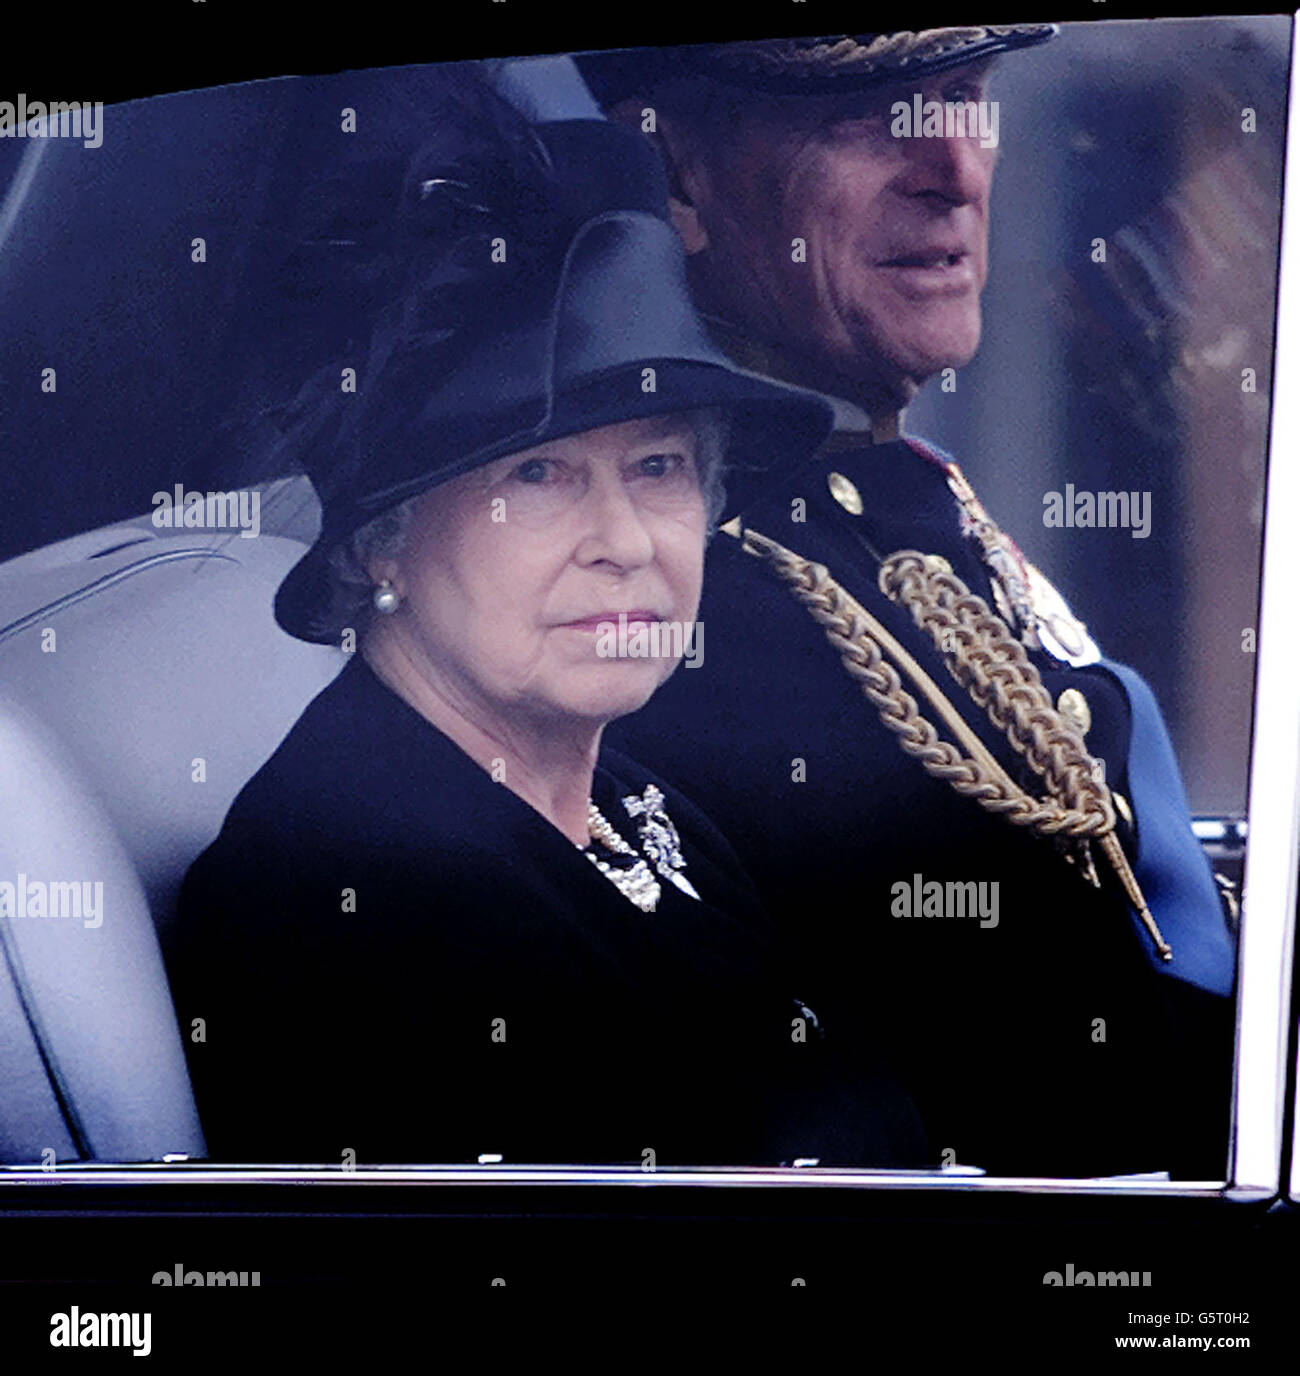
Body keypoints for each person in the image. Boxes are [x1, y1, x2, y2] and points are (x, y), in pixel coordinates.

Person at [164, 72, 929, 1168]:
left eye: (658, 465)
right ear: (384, 539)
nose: (623, 538)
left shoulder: (626, 800)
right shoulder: (344, 899)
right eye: (537, 474)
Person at [576, 32, 1238, 1177]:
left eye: (962, 99)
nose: (954, 171)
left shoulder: (904, 492)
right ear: (675, 170)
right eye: (868, 112)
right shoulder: (660, 600)